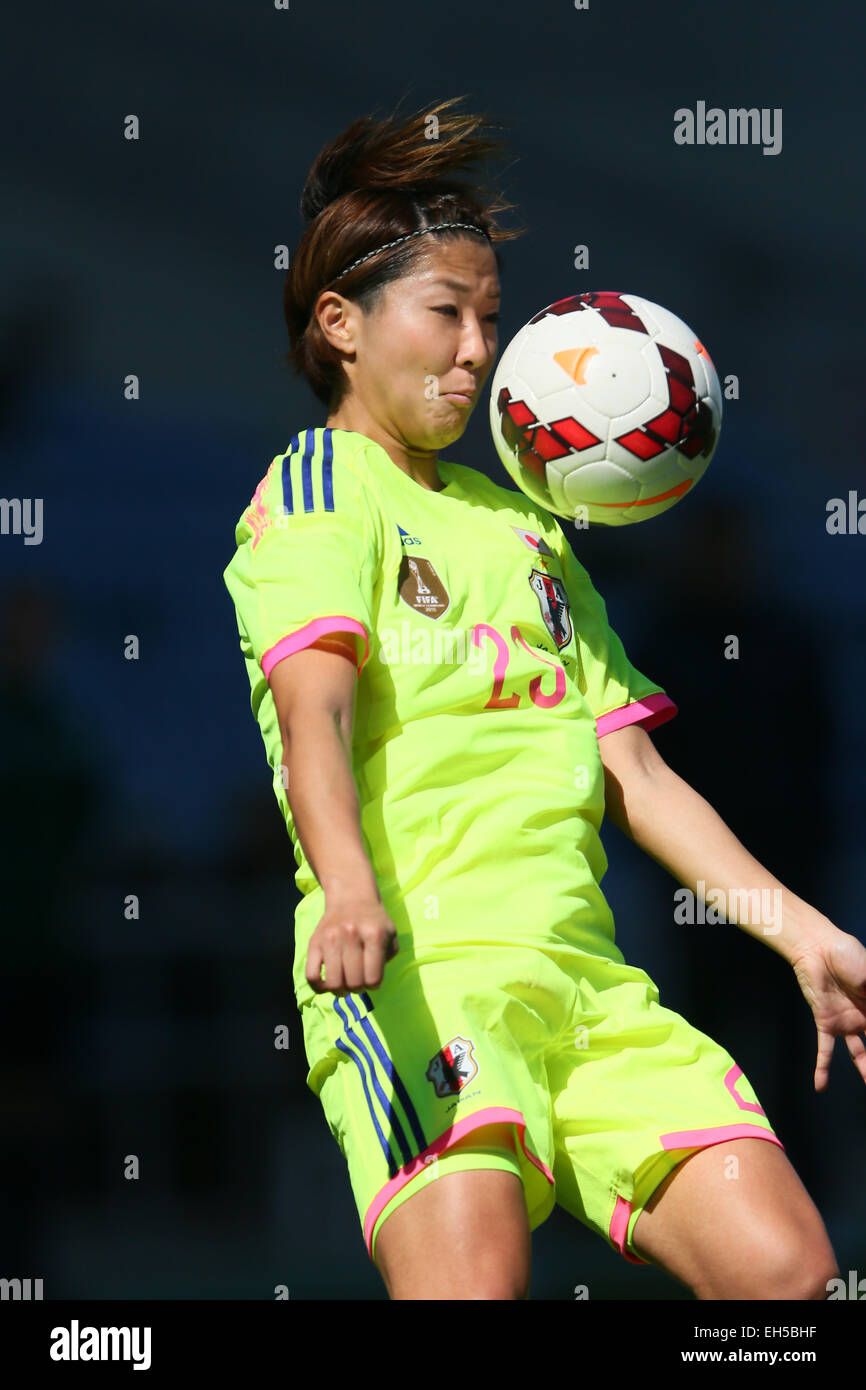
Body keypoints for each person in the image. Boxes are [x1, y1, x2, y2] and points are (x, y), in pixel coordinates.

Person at [223, 96, 866, 1300]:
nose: (477, 350)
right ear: (339, 325)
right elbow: (311, 712)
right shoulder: (318, 490)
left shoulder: (527, 526)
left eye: (489, 317)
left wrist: (803, 933)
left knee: (790, 1276)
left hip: (587, 990)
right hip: (423, 978)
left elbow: (639, 777)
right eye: (445, 315)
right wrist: (348, 892)